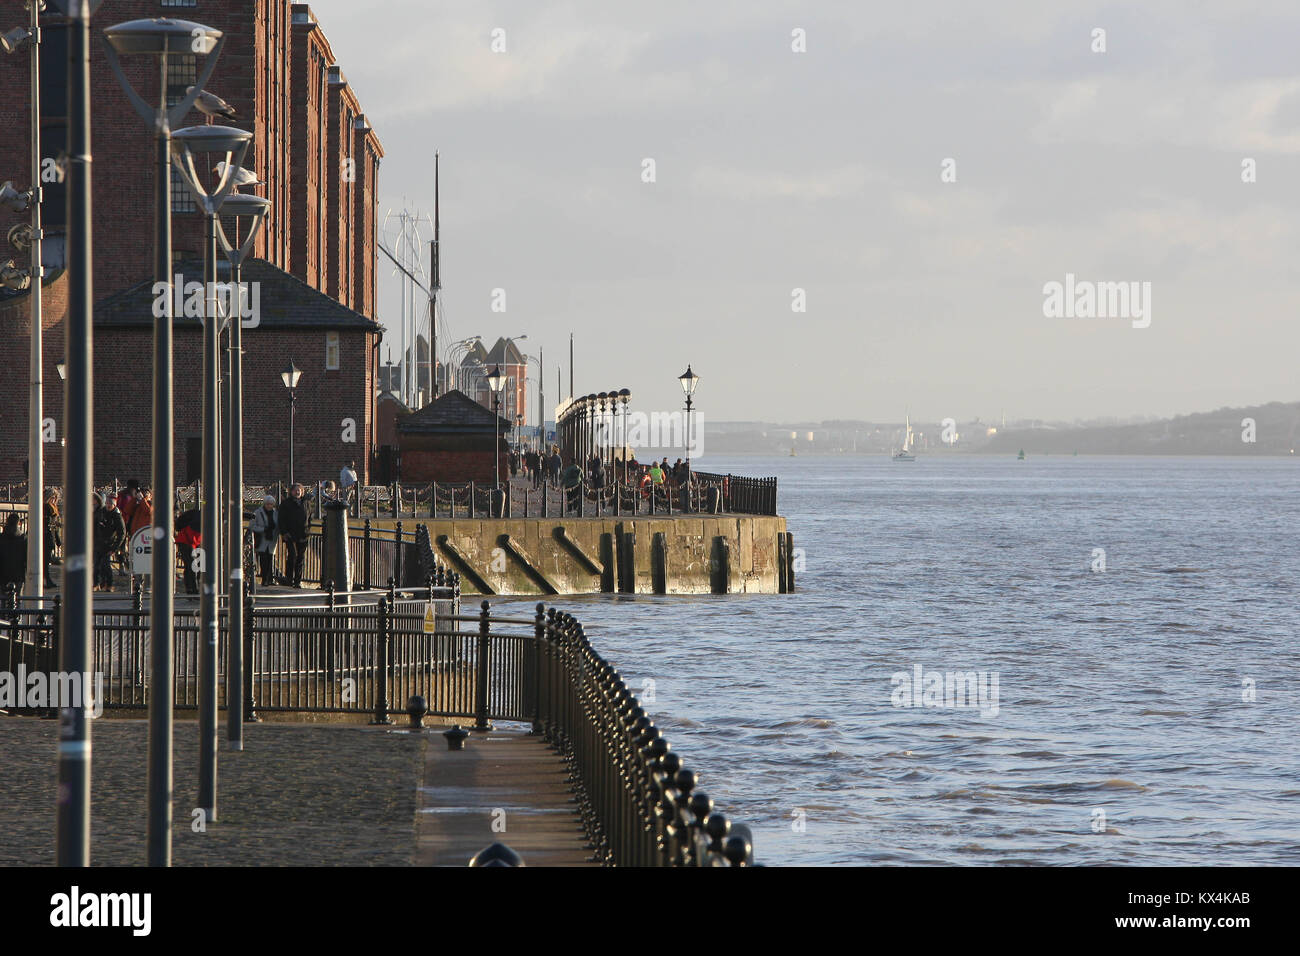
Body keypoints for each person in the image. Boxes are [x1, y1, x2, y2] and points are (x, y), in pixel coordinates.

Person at [276, 484, 310, 588]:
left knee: (300, 558)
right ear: (291, 492)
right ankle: (289, 578)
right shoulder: (286, 504)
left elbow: (309, 517)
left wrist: (308, 530)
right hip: (290, 535)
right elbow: (281, 519)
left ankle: (298, 580)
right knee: (292, 556)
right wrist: (284, 532)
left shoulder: (306, 503)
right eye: (295, 490)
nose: (297, 492)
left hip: (303, 534)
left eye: (299, 490)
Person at [93, 493, 126, 592]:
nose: (108, 505)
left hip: (109, 544)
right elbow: (94, 526)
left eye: (110, 504)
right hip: (98, 543)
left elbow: (122, 533)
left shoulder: (117, 516)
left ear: (114, 505)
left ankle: (109, 584)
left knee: (106, 565)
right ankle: (96, 583)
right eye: (107, 503)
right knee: (96, 566)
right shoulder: (101, 512)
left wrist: (115, 548)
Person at [250, 494, 279, 586]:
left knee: (270, 559)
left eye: (271, 504)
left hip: (272, 539)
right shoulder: (258, 512)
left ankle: (270, 578)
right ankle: (265, 579)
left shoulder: (275, 513)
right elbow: (252, 526)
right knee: (263, 559)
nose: (269, 506)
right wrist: (263, 529)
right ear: (264, 504)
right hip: (262, 539)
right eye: (267, 504)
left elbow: (278, 525)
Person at [175, 507, 201, 595]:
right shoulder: (199, 520)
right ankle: (194, 589)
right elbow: (192, 536)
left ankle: (190, 589)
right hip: (187, 542)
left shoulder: (199, 517)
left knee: (190, 566)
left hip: (186, 541)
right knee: (192, 566)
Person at [0, 513, 26, 592]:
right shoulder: (23, 538)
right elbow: (26, 557)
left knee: (3, 599)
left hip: (2, 573)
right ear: (18, 523)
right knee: (17, 599)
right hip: (18, 573)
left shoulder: (1, 537)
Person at [42, 489, 61, 587]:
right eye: (52, 497)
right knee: (45, 560)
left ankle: (47, 580)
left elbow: (55, 527)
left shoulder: (53, 508)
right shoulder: (46, 507)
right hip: (46, 535)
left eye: (55, 498)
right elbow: (51, 524)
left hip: (50, 535)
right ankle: (47, 580)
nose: (54, 500)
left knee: (46, 559)